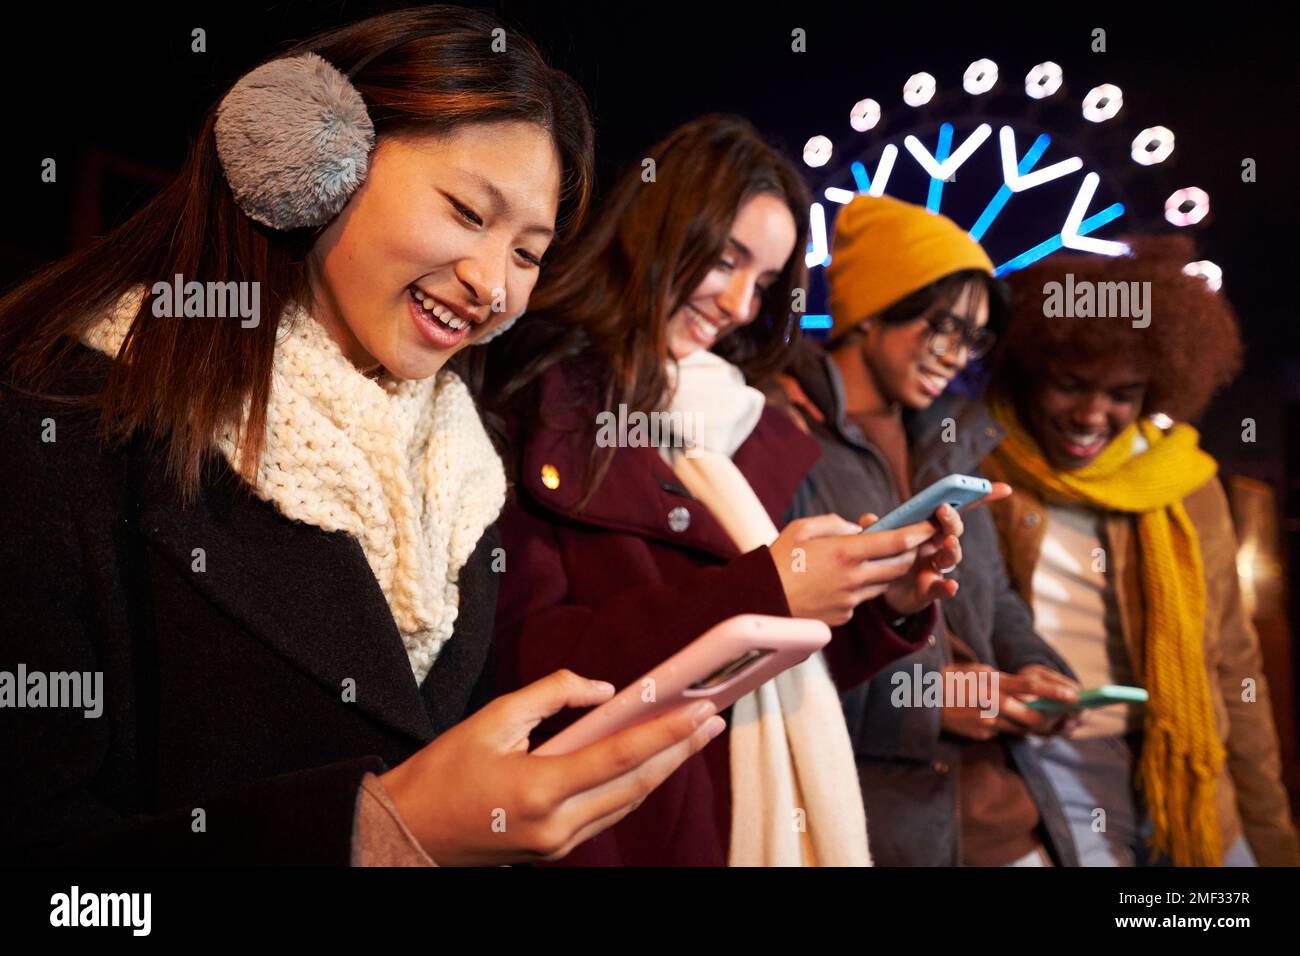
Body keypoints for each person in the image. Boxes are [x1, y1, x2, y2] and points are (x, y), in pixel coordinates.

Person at [0, 6, 722, 867]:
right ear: (313, 159)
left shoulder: (465, 475)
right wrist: (369, 833)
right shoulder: (62, 419)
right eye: (465, 211)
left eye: (528, 253)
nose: (491, 285)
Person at [477, 116, 984, 866]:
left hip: (728, 822)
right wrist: (766, 592)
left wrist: (883, 608)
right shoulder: (529, 392)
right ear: (656, 228)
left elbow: (760, 681)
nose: (743, 305)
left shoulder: (737, 422)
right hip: (613, 831)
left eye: (768, 282)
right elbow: (528, 667)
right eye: (724, 261)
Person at [776, 194, 1081, 866]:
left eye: (972, 338)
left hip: (1020, 822)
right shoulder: (783, 437)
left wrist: (1041, 672)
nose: (956, 354)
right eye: (943, 326)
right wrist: (924, 702)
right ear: (871, 312)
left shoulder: (951, 442)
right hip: (887, 828)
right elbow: (768, 651)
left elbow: (996, 601)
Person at [983, 235, 1300, 866]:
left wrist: (1273, 840)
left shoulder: (1187, 484)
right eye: (1071, 385)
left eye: (1122, 394)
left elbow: (1235, 670)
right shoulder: (982, 471)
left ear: (1156, 391)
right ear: (1033, 371)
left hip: (1187, 765)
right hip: (1045, 769)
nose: (1091, 414)